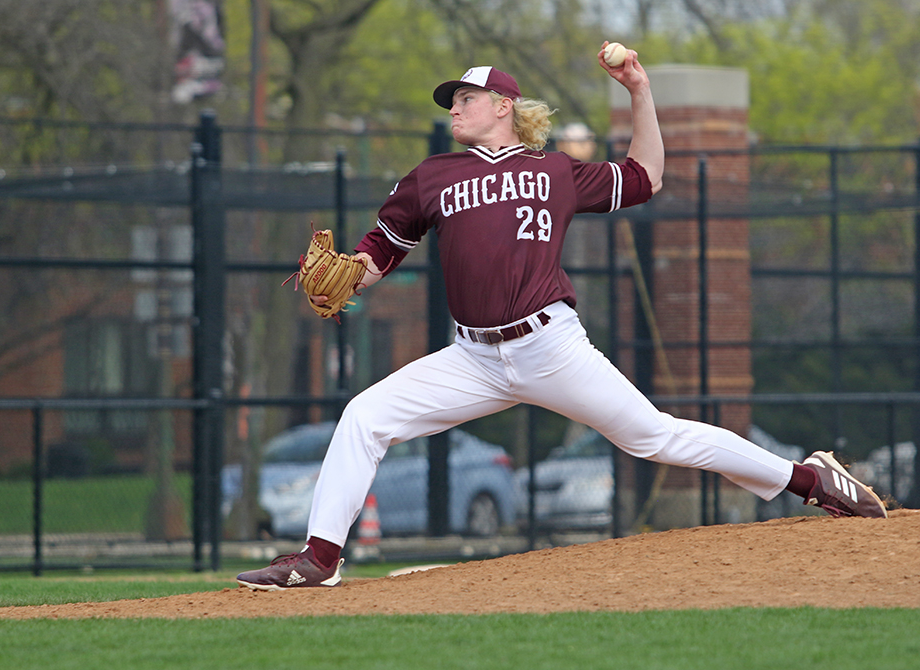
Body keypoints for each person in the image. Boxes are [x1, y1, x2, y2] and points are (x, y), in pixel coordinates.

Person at [236, 44, 887, 591]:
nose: (455, 108)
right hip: (472, 358)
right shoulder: (429, 178)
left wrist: (639, 89)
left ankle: (808, 478)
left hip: (550, 347)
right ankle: (320, 559)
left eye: (465, 98)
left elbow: (646, 177)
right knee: (365, 417)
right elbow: (377, 256)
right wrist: (350, 273)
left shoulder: (554, 170)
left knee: (653, 437)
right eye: (452, 101)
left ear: (503, 107)